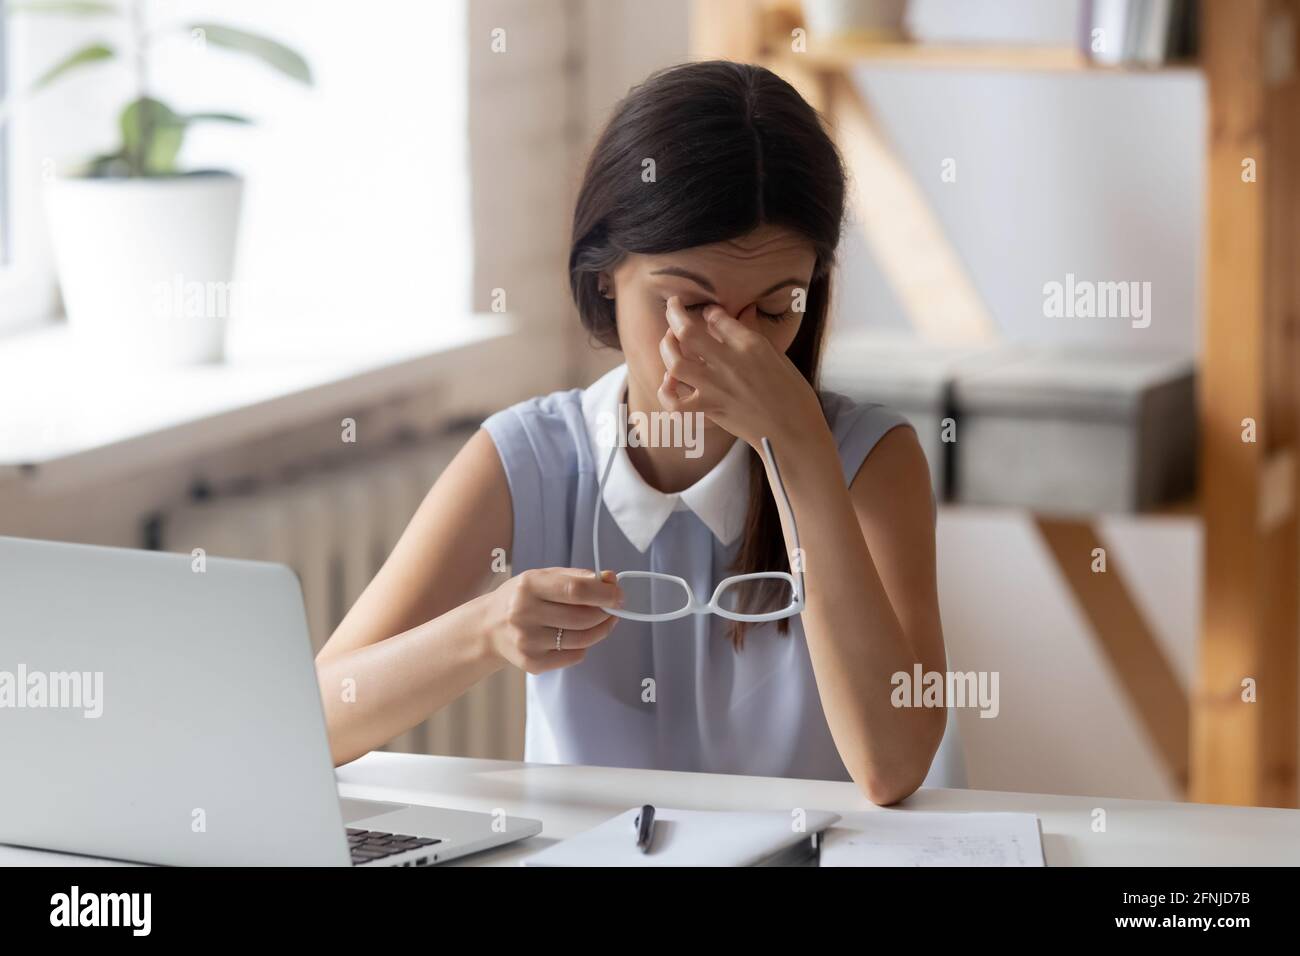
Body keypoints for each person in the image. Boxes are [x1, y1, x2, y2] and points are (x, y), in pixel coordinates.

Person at [316, 60, 951, 805]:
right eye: (687, 304)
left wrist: (798, 450)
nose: (727, 349)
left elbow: (893, 768)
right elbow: (318, 716)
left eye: (776, 310)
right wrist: (484, 629)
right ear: (606, 278)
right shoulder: (530, 459)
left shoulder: (868, 461)